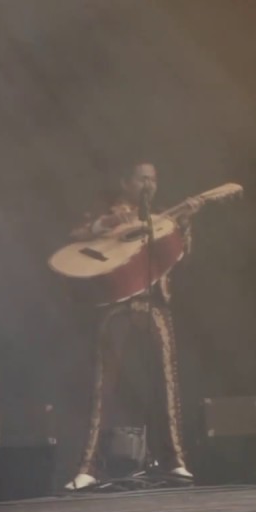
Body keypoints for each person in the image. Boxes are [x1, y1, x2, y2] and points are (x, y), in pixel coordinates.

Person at [64, 161, 201, 491]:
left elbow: (181, 257)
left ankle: (174, 461)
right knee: (103, 386)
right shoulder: (109, 210)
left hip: (156, 305)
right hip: (116, 305)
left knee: (166, 385)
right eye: (142, 179)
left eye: (153, 179)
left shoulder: (164, 216)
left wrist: (185, 225)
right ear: (127, 182)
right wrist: (109, 222)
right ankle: (88, 467)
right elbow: (77, 236)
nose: (148, 184)